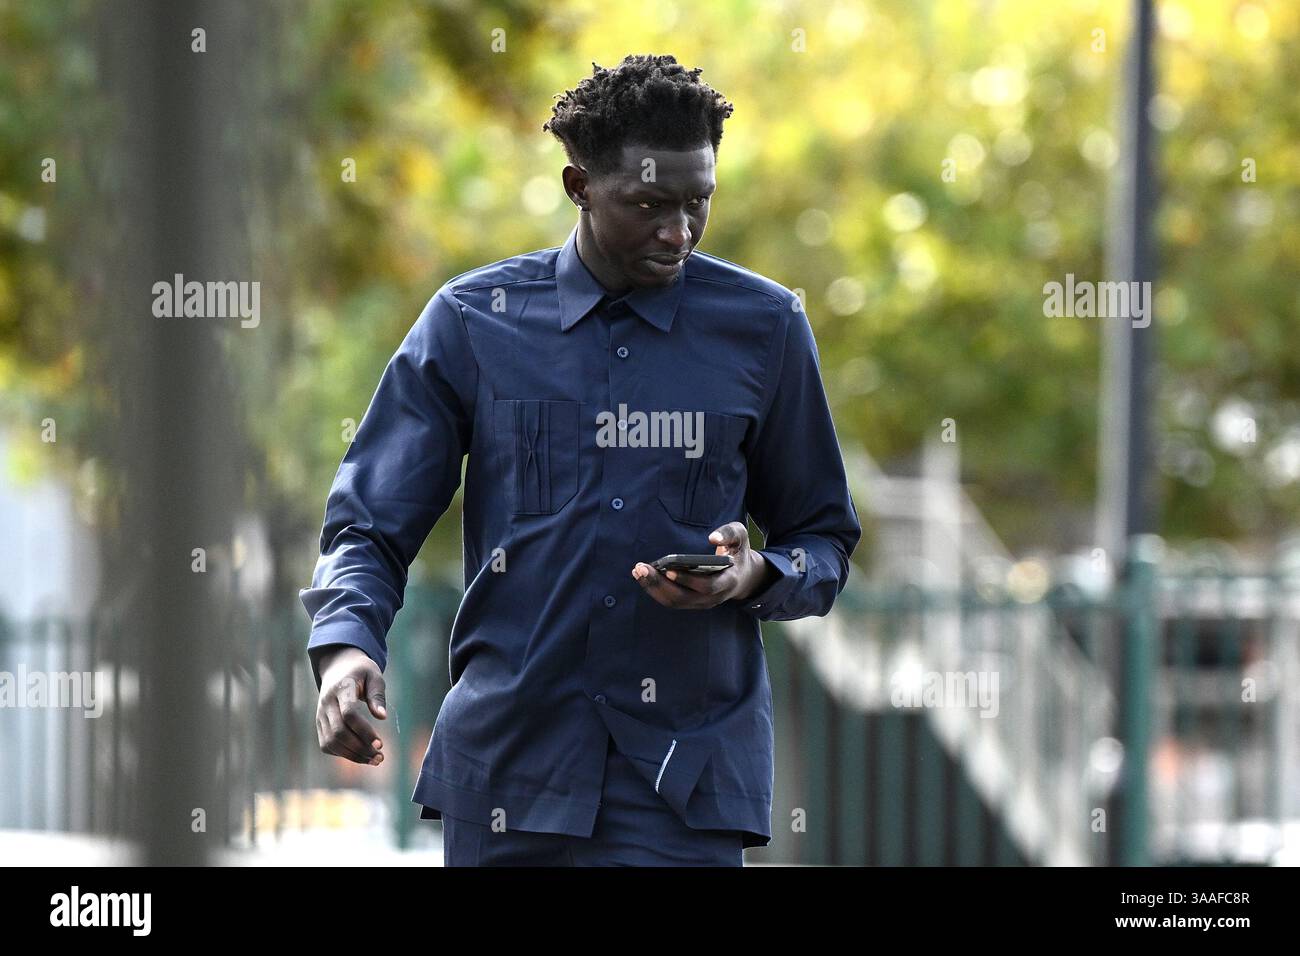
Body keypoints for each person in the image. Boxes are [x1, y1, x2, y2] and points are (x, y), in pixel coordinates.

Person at [300, 53, 861, 866]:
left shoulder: (767, 329)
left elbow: (824, 536)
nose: (679, 230)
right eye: (649, 204)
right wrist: (347, 646)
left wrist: (756, 575)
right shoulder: (471, 322)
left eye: (698, 201)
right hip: (509, 781)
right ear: (579, 186)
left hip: (685, 789)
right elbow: (369, 523)